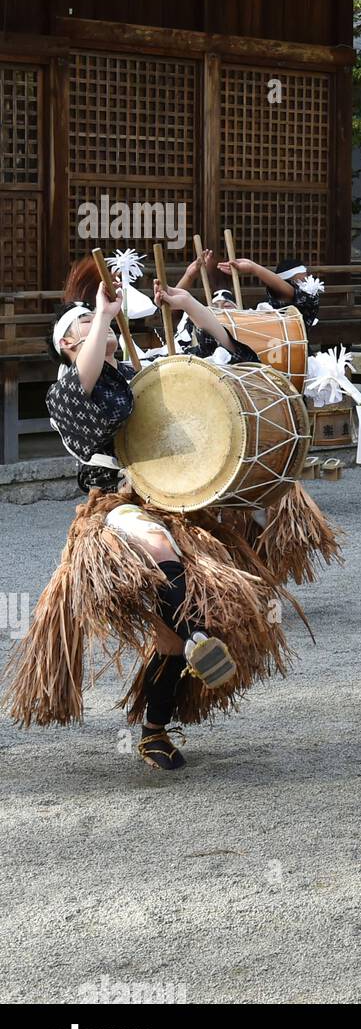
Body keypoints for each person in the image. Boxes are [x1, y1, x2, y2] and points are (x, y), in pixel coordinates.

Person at [1, 257, 297, 771]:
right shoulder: (67, 392)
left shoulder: (140, 372)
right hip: (110, 513)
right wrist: (99, 311)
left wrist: (190, 306)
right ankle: (198, 637)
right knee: (161, 554)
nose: (101, 328)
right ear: (68, 344)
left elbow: (232, 354)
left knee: (168, 640)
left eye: (102, 323)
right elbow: (87, 375)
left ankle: (156, 728)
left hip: (164, 504)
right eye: (86, 327)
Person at [216, 256, 323, 329]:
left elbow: (291, 293)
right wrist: (251, 265)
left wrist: (253, 267)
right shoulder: (273, 302)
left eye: (306, 276)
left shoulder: (310, 299)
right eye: (302, 278)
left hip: (297, 352)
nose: (307, 279)